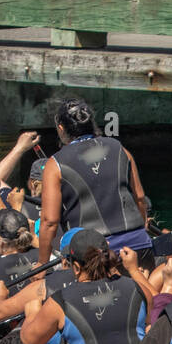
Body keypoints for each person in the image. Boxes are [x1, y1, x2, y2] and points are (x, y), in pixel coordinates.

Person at [36, 98, 152, 268]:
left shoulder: (55, 164)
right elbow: (140, 198)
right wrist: (141, 230)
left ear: (61, 129)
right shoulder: (120, 148)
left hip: (94, 254)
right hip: (138, 246)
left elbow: (50, 221)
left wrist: (41, 263)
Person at [17, 229, 148, 344]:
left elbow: (30, 341)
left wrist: (32, 313)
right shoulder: (139, 288)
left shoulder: (59, 302)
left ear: (77, 267)